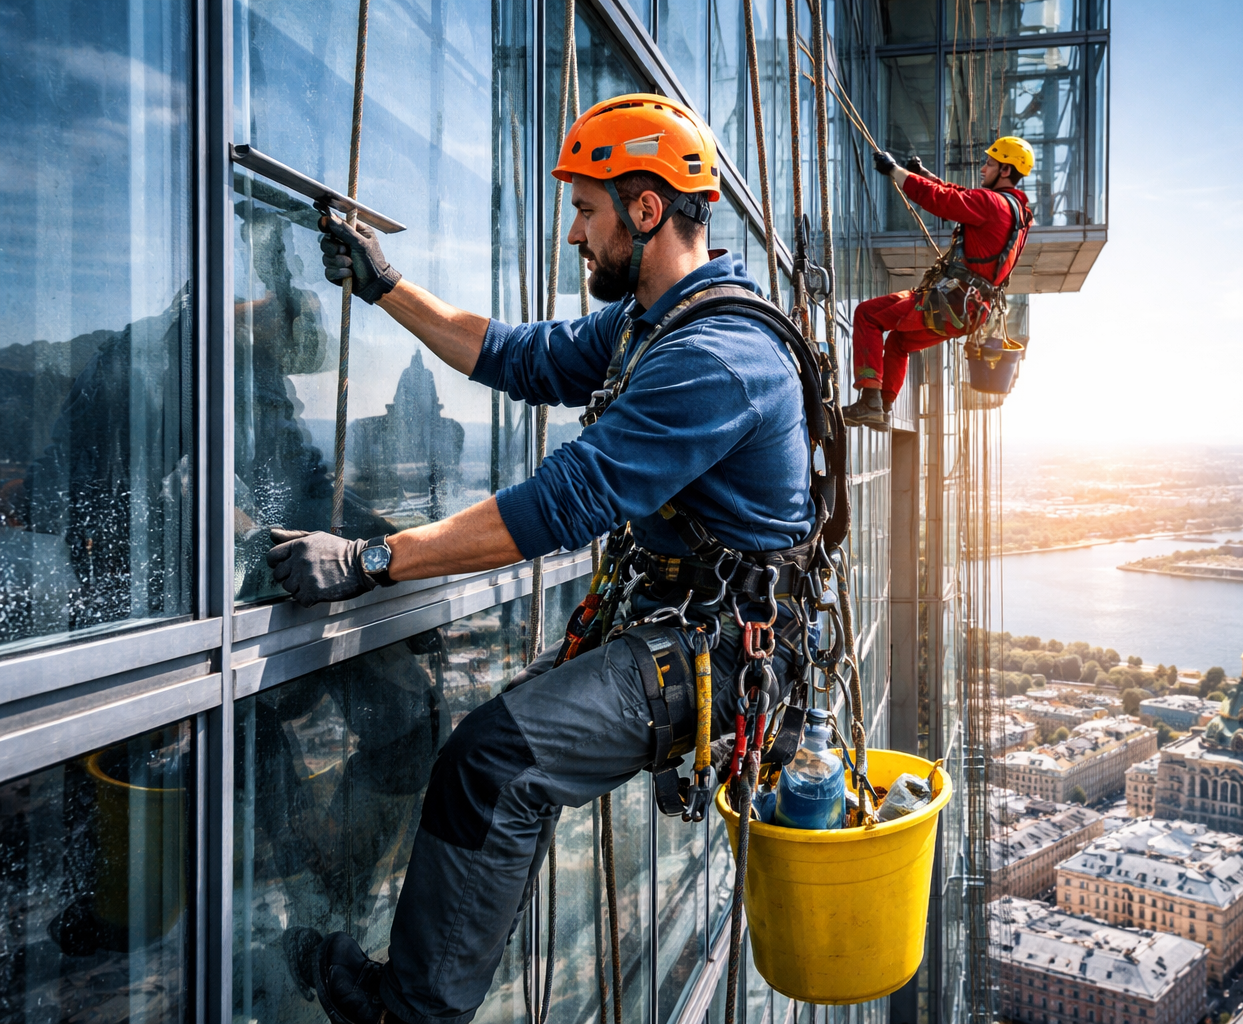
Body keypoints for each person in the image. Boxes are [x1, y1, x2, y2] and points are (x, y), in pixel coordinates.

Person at [264, 94, 827, 1024]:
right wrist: (385, 285)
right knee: (502, 762)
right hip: (677, 626)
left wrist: (373, 558)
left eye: (586, 209)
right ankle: (436, 985)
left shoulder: (715, 356)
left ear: (646, 210)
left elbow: (562, 502)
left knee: (496, 761)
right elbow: (513, 355)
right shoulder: (654, 324)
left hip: (721, 650)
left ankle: (412, 1012)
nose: (574, 233)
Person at [842, 138, 1035, 430]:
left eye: (990, 164)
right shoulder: (1016, 213)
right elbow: (960, 194)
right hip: (966, 312)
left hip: (949, 302)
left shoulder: (992, 204)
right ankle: (882, 406)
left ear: (1005, 170)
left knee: (867, 315)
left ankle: (870, 402)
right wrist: (925, 175)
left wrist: (896, 172)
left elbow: (942, 201)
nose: (983, 169)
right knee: (899, 342)